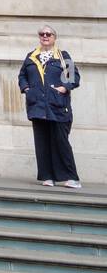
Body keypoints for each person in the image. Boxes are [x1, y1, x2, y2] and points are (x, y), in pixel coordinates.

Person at [18, 25, 82, 189]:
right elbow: (22, 75)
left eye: (49, 34)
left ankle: (71, 177)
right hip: (37, 106)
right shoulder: (31, 56)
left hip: (58, 106)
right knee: (42, 142)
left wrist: (63, 88)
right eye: (42, 34)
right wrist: (27, 89)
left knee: (61, 141)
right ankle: (47, 177)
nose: (45, 36)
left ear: (54, 37)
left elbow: (73, 76)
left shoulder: (62, 56)